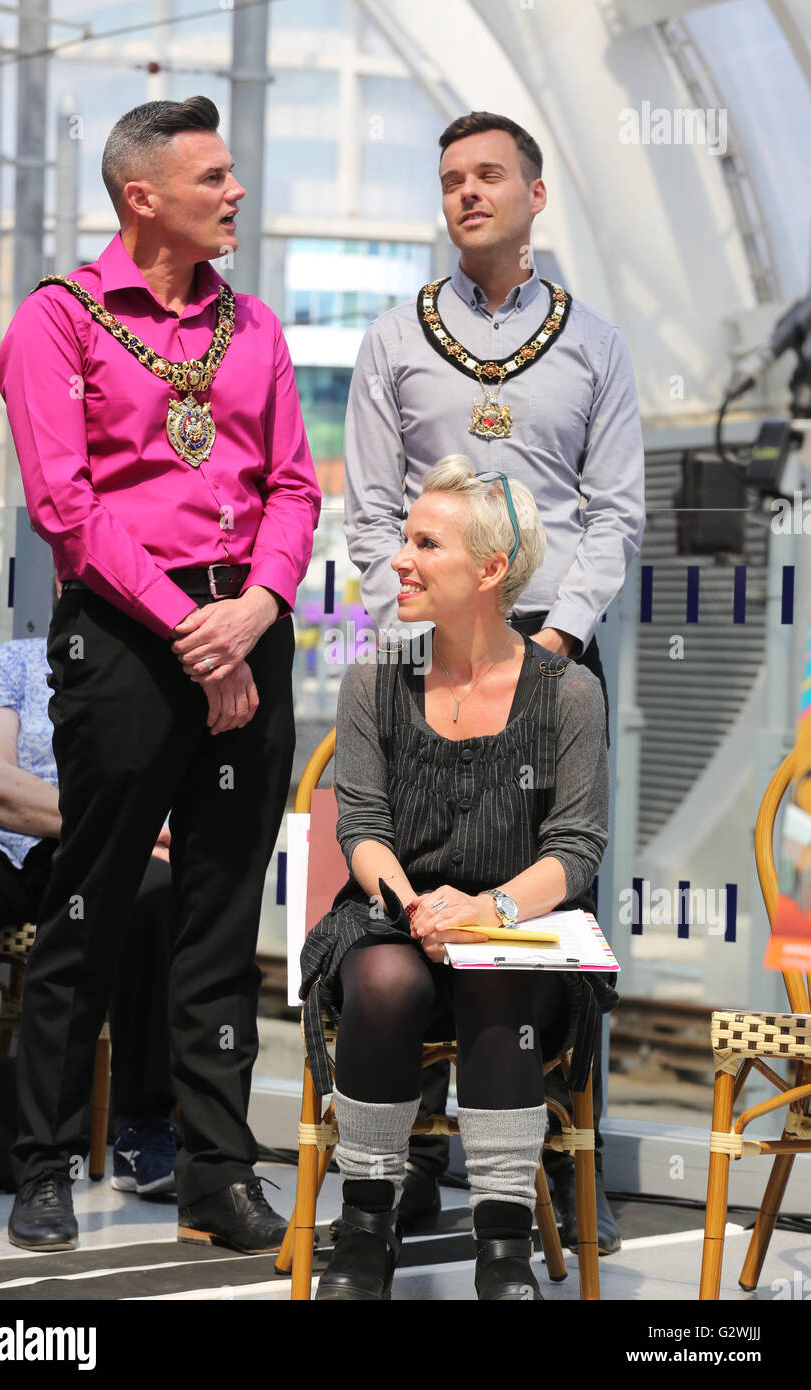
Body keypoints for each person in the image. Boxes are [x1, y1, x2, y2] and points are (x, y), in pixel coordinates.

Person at [0, 96, 321, 1253]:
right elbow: (65, 507)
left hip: (244, 620)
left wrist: (257, 609)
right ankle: (39, 1161)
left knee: (222, 922)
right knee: (89, 899)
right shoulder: (57, 320)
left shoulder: (258, 327)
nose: (235, 193)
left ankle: (215, 1170)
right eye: (214, 178)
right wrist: (200, 630)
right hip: (130, 639)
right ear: (144, 197)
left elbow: (295, 486)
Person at [343, 110, 645, 1250]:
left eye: (488, 176)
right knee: (416, 887)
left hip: (551, 649)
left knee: (555, 897)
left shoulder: (596, 343)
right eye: (450, 179)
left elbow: (612, 509)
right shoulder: (392, 335)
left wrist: (555, 641)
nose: (467, 193)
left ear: (534, 192)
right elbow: (373, 513)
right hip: (430, 651)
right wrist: (410, 638)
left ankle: (562, 1173)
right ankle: (409, 1161)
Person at [301, 460, 615, 1300]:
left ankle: (503, 1247)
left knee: (495, 979)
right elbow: (361, 828)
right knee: (382, 973)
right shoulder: (373, 680)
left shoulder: (570, 694)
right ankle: (367, 1232)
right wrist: (415, 908)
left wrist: (489, 911)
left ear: (488, 570)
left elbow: (576, 849)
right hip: (393, 916)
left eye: (423, 543)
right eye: (404, 539)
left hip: (518, 935)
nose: (399, 560)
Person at [0, 635, 182, 1195]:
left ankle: (142, 1128)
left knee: (155, 895)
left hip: (109, 855)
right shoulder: (12, 662)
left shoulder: (167, 676)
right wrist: (118, 819)